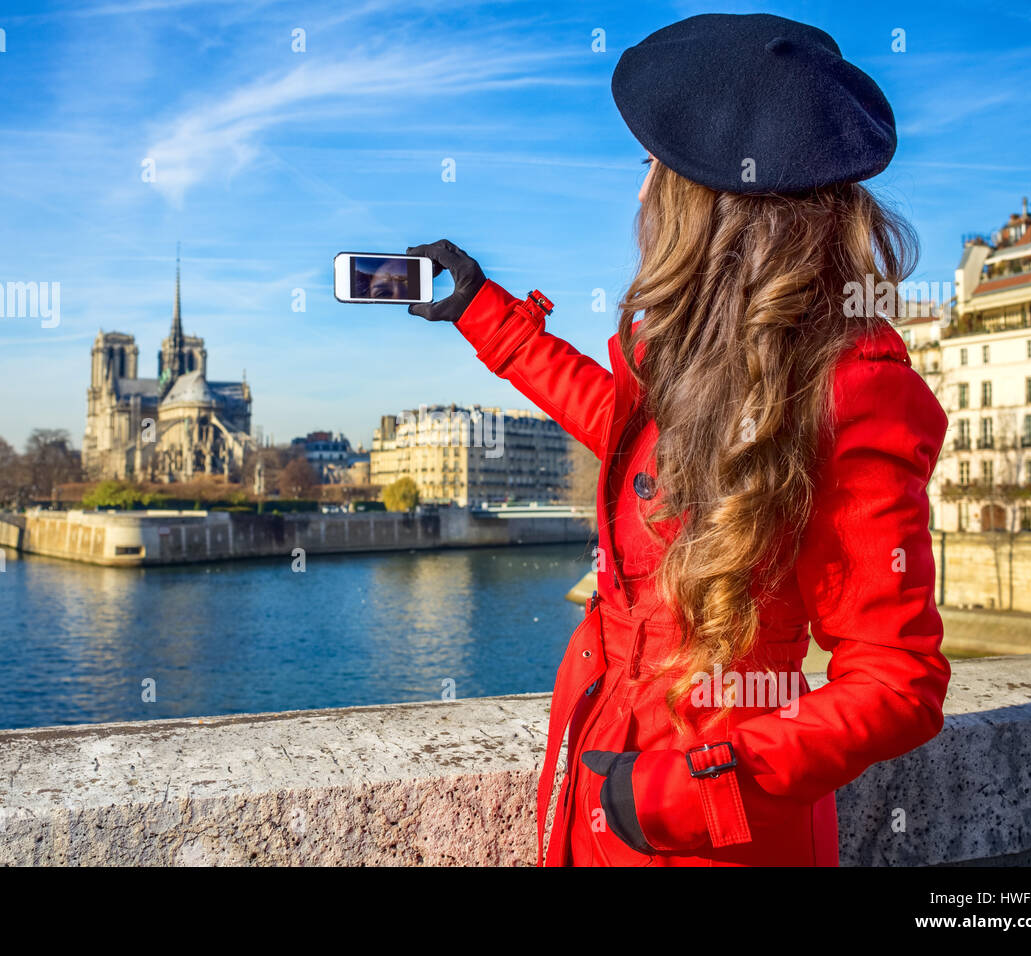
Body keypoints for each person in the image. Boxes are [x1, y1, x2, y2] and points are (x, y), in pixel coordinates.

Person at [406, 13, 950, 866]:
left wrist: (686, 789)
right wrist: (486, 313)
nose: (640, 192)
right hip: (600, 766)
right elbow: (624, 436)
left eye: (653, 166)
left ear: (711, 197)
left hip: (708, 827)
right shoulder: (692, 351)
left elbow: (898, 681)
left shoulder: (856, 389)